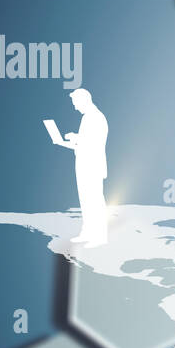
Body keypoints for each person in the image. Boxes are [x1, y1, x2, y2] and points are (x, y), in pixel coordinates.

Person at [58, 88, 108, 247]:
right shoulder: (88, 117)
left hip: (92, 166)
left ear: (84, 100)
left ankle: (99, 237)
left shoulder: (96, 118)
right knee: (86, 200)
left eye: (75, 103)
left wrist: (76, 138)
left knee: (94, 201)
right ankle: (87, 232)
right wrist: (74, 141)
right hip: (84, 165)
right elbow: (87, 141)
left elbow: (94, 143)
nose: (74, 107)